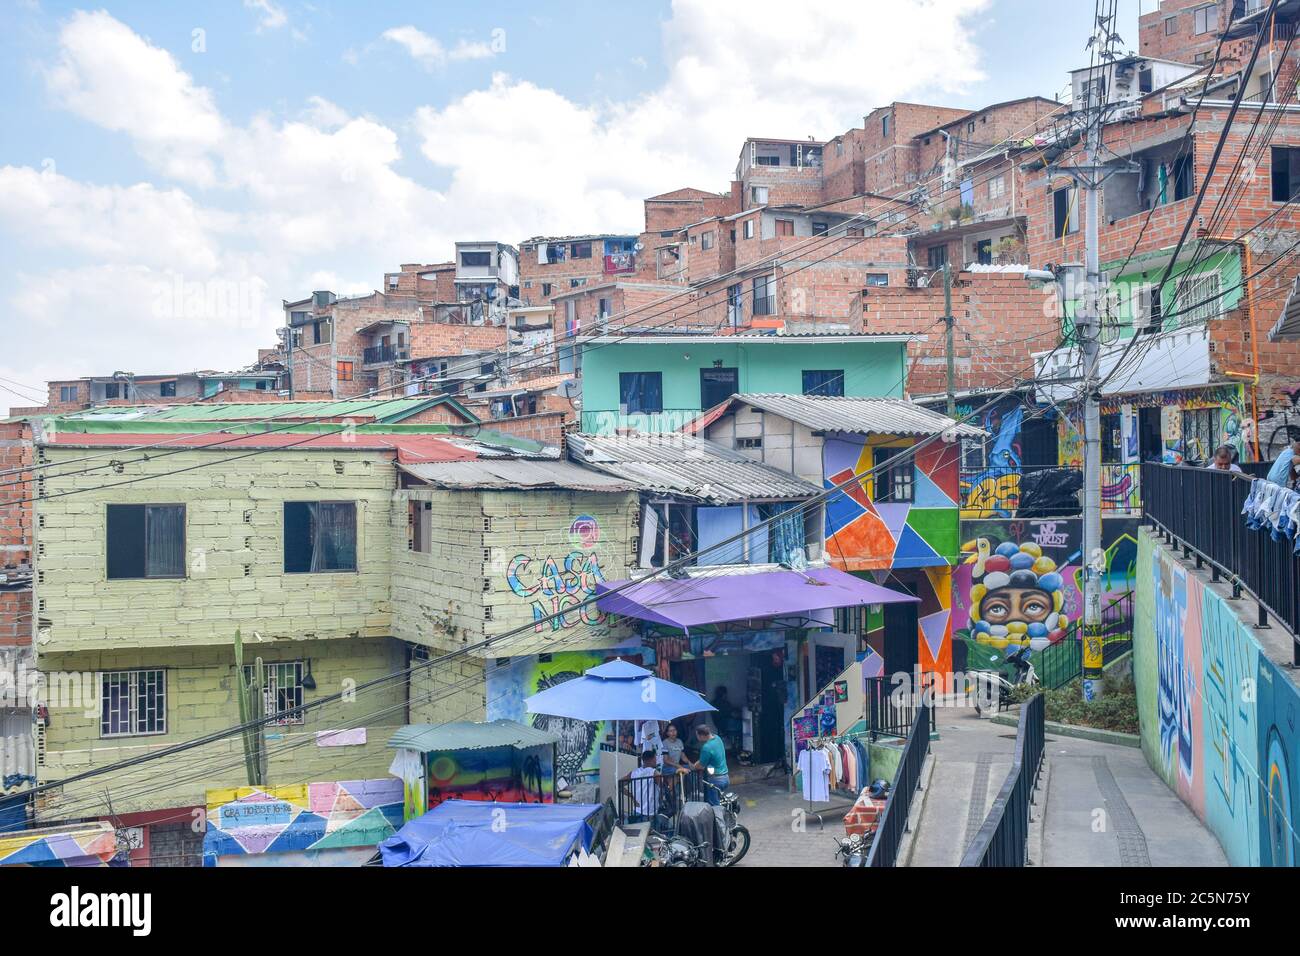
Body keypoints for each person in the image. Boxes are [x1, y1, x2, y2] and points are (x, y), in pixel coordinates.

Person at [690, 725, 730, 806]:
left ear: (701, 736)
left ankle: (719, 818)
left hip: (715, 780)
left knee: (715, 807)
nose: (697, 737)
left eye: (697, 735)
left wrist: (694, 766)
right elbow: (706, 759)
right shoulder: (717, 738)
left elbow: (701, 766)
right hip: (725, 777)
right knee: (718, 803)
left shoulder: (706, 747)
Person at [625, 750, 660, 822]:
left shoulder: (634, 772)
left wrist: (632, 796)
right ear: (652, 760)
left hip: (637, 810)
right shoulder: (654, 773)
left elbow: (618, 785)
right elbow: (665, 786)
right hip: (650, 812)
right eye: (655, 759)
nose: (656, 761)